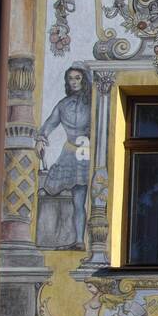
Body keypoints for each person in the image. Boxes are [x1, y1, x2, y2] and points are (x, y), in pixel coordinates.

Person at [37, 66, 92, 249]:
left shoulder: (92, 103)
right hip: (68, 153)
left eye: (78, 78)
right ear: (67, 82)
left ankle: (79, 240)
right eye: (71, 78)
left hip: (84, 152)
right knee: (47, 190)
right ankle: (62, 237)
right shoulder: (62, 104)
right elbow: (49, 124)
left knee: (79, 200)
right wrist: (41, 139)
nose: (75, 81)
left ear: (84, 81)